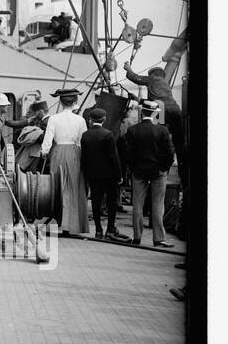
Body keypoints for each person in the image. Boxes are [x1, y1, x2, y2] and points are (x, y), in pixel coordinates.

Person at [122, 101, 175, 248]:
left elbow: (127, 153)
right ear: (155, 113)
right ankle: (159, 238)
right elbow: (169, 153)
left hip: (138, 172)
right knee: (158, 204)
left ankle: (137, 237)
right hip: (158, 172)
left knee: (137, 204)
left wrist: (133, 168)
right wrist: (163, 168)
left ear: (142, 112)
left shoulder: (132, 130)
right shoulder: (162, 130)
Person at [39, 87, 88, 235]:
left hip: (58, 152)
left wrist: (44, 152)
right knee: (74, 187)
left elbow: (47, 141)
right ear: (75, 102)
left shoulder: (53, 119)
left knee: (57, 187)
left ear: (60, 102)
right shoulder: (80, 120)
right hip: (74, 152)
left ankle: (59, 221)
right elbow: (82, 140)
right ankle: (72, 225)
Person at [124, 63, 186, 179]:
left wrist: (128, 68)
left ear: (153, 74)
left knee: (158, 136)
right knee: (179, 143)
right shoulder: (164, 85)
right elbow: (151, 101)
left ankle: (157, 166)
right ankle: (184, 172)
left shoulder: (152, 79)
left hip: (161, 109)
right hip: (176, 110)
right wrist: (137, 99)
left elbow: (135, 78)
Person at [79, 107, 124, 240]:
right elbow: (113, 157)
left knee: (96, 202)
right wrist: (119, 175)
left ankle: (98, 230)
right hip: (109, 175)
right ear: (104, 119)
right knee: (111, 201)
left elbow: (84, 157)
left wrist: (86, 174)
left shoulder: (85, 135)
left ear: (91, 120)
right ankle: (110, 228)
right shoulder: (108, 134)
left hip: (93, 175)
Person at [13, 98, 49, 173]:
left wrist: (31, 135)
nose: (35, 115)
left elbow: (45, 137)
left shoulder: (46, 121)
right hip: (35, 153)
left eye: (36, 113)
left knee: (30, 173)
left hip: (36, 154)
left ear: (41, 112)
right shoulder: (43, 121)